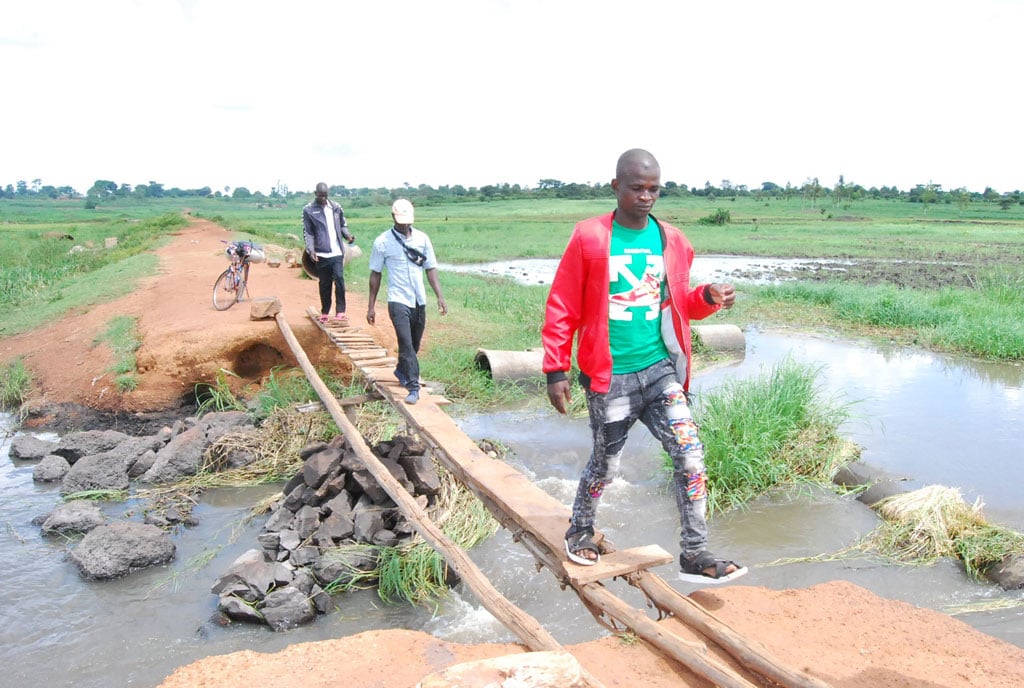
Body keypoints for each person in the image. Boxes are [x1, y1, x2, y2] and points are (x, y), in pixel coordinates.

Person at [541, 148, 747, 584]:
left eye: (654, 188)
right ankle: (579, 529)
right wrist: (555, 369)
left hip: (660, 370)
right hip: (609, 376)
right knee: (606, 465)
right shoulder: (590, 237)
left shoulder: (673, 241)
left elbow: (678, 304)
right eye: (637, 188)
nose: (646, 196)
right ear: (616, 187)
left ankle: (694, 552)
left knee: (690, 456)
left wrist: (707, 298)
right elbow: (563, 304)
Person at [367, 199, 448, 405]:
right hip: (398, 300)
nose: (404, 225)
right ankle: (413, 386)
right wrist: (371, 306)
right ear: (393, 217)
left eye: (407, 221)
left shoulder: (422, 239)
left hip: (418, 299)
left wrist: (439, 296)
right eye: (400, 221)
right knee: (405, 344)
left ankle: (401, 371)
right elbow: (375, 274)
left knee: (415, 343)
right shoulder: (382, 242)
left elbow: (430, 268)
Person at [302, 182, 356, 324]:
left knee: (339, 279)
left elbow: (343, 225)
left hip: (337, 252)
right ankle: (325, 311)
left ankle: (340, 311)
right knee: (324, 283)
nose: (323, 199)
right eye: (321, 196)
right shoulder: (308, 210)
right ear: (316, 194)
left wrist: (348, 236)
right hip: (321, 254)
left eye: (325, 196)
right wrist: (311, 250)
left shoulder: (336, 208)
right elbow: (308, 233)